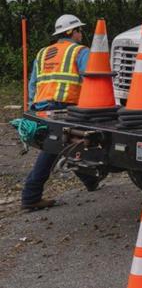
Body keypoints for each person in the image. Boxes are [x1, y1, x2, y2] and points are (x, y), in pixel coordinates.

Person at [21, 14, 100, 210]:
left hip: (41, 107)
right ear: (72, 32)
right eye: (79, 30)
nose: (81, 34)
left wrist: (32, 107)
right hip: (65, 108)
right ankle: (30, 196)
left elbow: (33, 83)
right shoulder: (80, 51)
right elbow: (91, 80)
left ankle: (91, 181)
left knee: (72, 144)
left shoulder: (43, 53)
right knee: (53, 149)